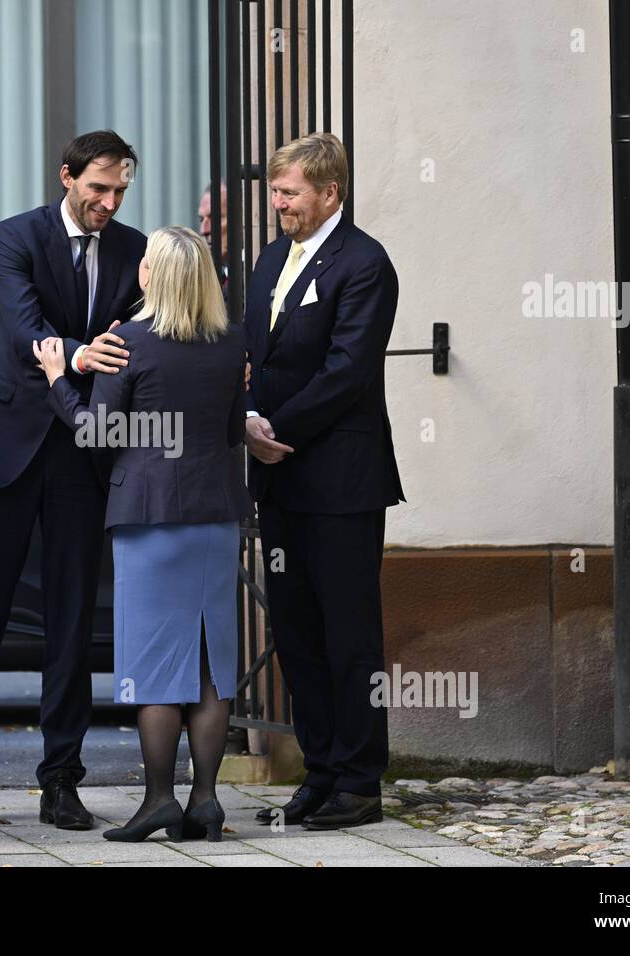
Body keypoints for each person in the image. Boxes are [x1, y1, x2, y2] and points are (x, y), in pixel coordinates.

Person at [0, 131, 148, 829]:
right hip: (2, 451)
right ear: (68, 177)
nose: (108, 204)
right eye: (97, 190)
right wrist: (84, 354)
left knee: (72, 622)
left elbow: (140, 339)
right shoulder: (15, 236)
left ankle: (61, 783)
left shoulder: (137, 251)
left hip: (82, 458)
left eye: (119, 193)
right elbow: (23, 331)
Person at [35, 225, 252, 842]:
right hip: (216, 514)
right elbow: (236, 431)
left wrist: (57, 375)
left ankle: (160, 798)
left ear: (151, 276)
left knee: (157, 661)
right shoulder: (230, 343)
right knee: (211, 659)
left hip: (149, 515)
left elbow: (94, 432)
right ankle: (206, 800)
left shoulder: (128, 343)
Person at [242, 132, 405, 829]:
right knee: (298, 634)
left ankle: (360, 779)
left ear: (329, 193)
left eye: (289, 193)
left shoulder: (365, 264)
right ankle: (321, 767)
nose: (278, 203)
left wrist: (274, 428)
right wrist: (245, 413)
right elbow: (254, 353)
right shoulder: (272, 258)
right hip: (276, 476)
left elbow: (347, 371)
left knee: (348, 635)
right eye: (276, 192)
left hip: (339, 480)